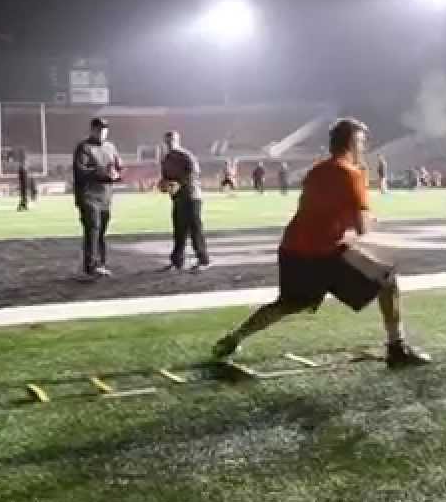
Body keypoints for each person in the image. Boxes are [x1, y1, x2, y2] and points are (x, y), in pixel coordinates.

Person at [212, 118, 430, 367]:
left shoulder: (317, 169)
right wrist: (371, 219)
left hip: (294, 248)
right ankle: (396, 346)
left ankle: (235, 337)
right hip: (325, 252)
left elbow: (316, 210)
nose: (364, 147)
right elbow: (361, 228)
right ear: (351, 142)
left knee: (288, 304)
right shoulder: (351, 173)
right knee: (387, 281)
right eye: (361, 141)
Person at [72, 117, 123, 279]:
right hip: (88, 196)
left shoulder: (111, 147)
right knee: (93, 228)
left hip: (105, 197)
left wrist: (117, 173)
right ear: (92, 130)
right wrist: (103, 173)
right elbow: (81, 172)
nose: (102, 132)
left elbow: (117, 167)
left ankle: (100, 263)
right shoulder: (84, 148)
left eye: (105, 129)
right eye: (99, 129)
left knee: (101, 231)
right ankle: (91, 266)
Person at [160, 131, 210, 272]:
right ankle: (177, 261)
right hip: (178, 198)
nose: (170, 143)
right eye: (168, 141)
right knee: (179, 230)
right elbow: (166, 177)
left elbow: (194, 172)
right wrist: (164, 184)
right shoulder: (166, 159)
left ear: (177, 140)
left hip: (192, 196)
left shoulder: (185, 155)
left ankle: (203, 259)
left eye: (172, 140)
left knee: (195, 229)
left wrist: (179, 183)